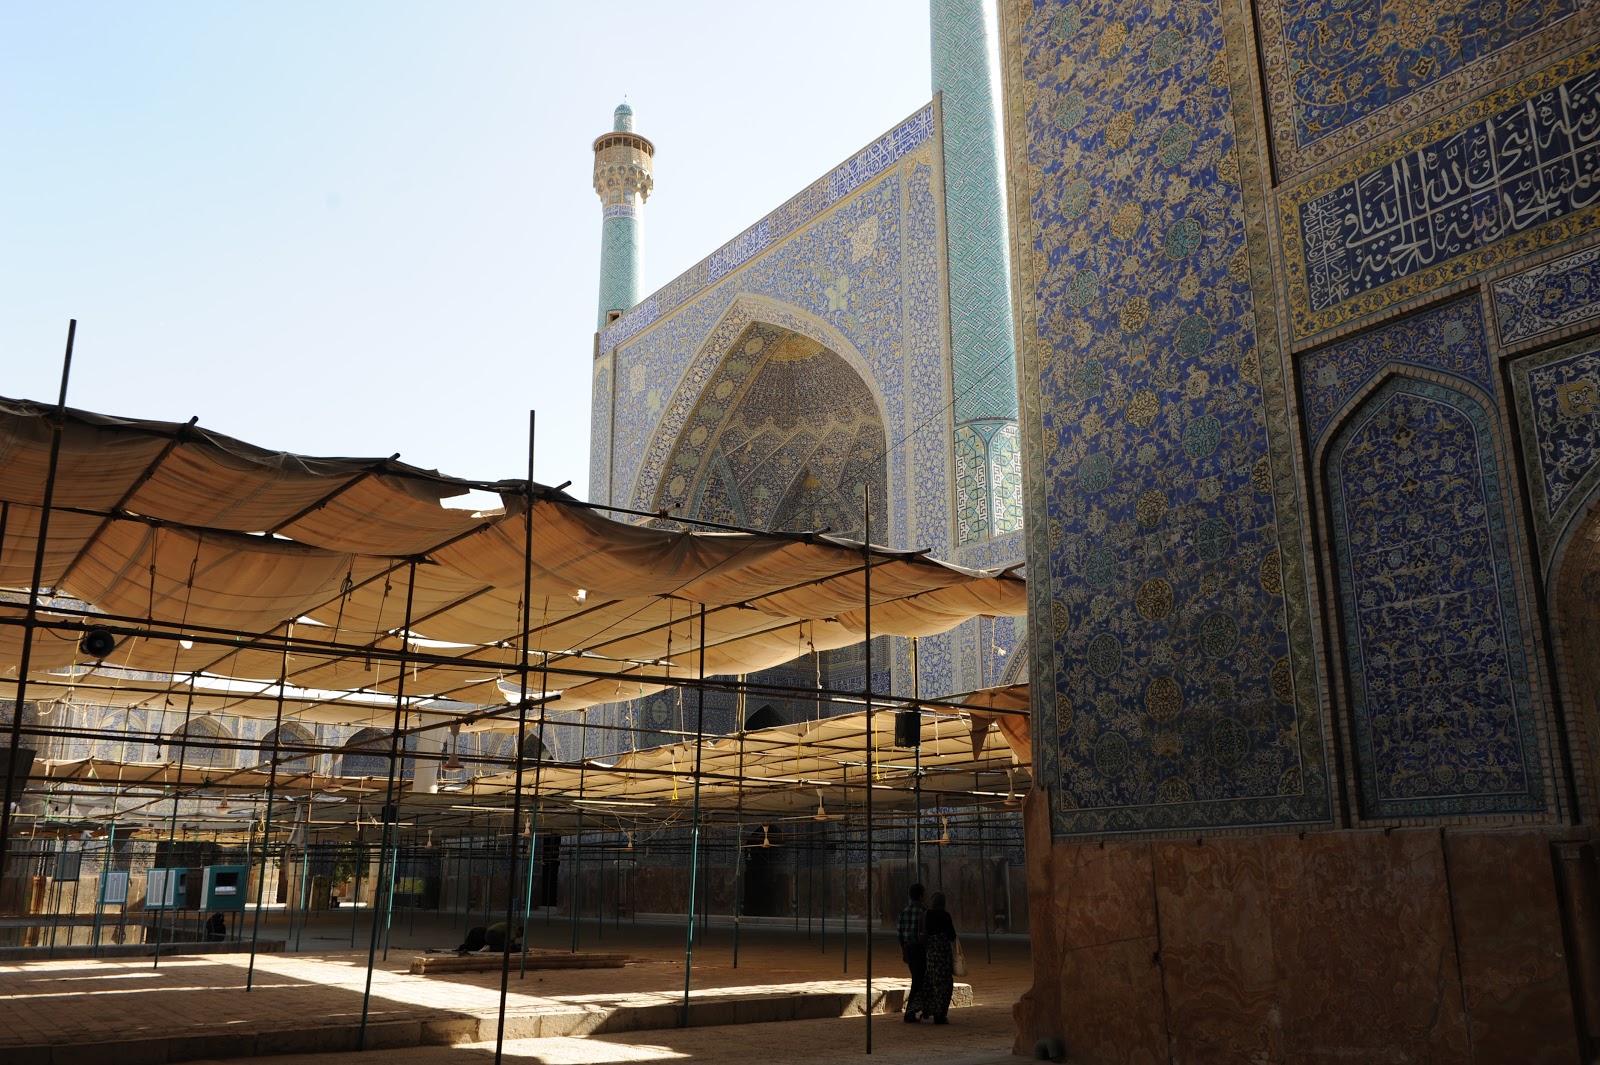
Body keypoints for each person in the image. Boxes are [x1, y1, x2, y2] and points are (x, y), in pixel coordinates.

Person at [919, 892, 959, 1024]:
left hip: (931, 953)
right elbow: (952, 935)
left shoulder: (926, 915)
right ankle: (940, 1014)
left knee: (931, 981)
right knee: (945, 984)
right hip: (943, 954)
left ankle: (927, 1009)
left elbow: (923, 933)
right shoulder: (945, 916)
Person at [896, 882, 927, 1022]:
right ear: (921, 896)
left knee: (918, 978)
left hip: (909, 949)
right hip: (920, 950)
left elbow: (900, 936)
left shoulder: (904, 912)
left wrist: (904, 953)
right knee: (918, 980)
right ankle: (910, 1012)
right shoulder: (924, 912)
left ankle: (922, 1009)